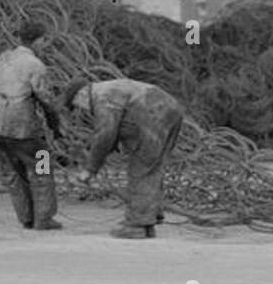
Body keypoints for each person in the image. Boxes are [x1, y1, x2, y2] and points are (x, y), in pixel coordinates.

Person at [64, 77, 184, 239]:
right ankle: (148, 219)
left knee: (141, 170)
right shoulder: (109, 90)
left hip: (151, 114)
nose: (81, 109)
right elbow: (111, 132)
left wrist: (91, 168)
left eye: (77, 104)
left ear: (82, 94)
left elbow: (105, 135)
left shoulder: (102, 97)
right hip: (169, 108)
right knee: (154, 167)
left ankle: (137, 224)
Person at [0, 21, 62, 230]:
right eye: (44, 41)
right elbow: (46, 100)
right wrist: (55, 125)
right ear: (38, 40)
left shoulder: (3, 58)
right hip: (20, 128)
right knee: (42, 166)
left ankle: (26, 218)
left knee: (13, 172)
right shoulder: (35, 65)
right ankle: (44, 218)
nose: (45, 45)